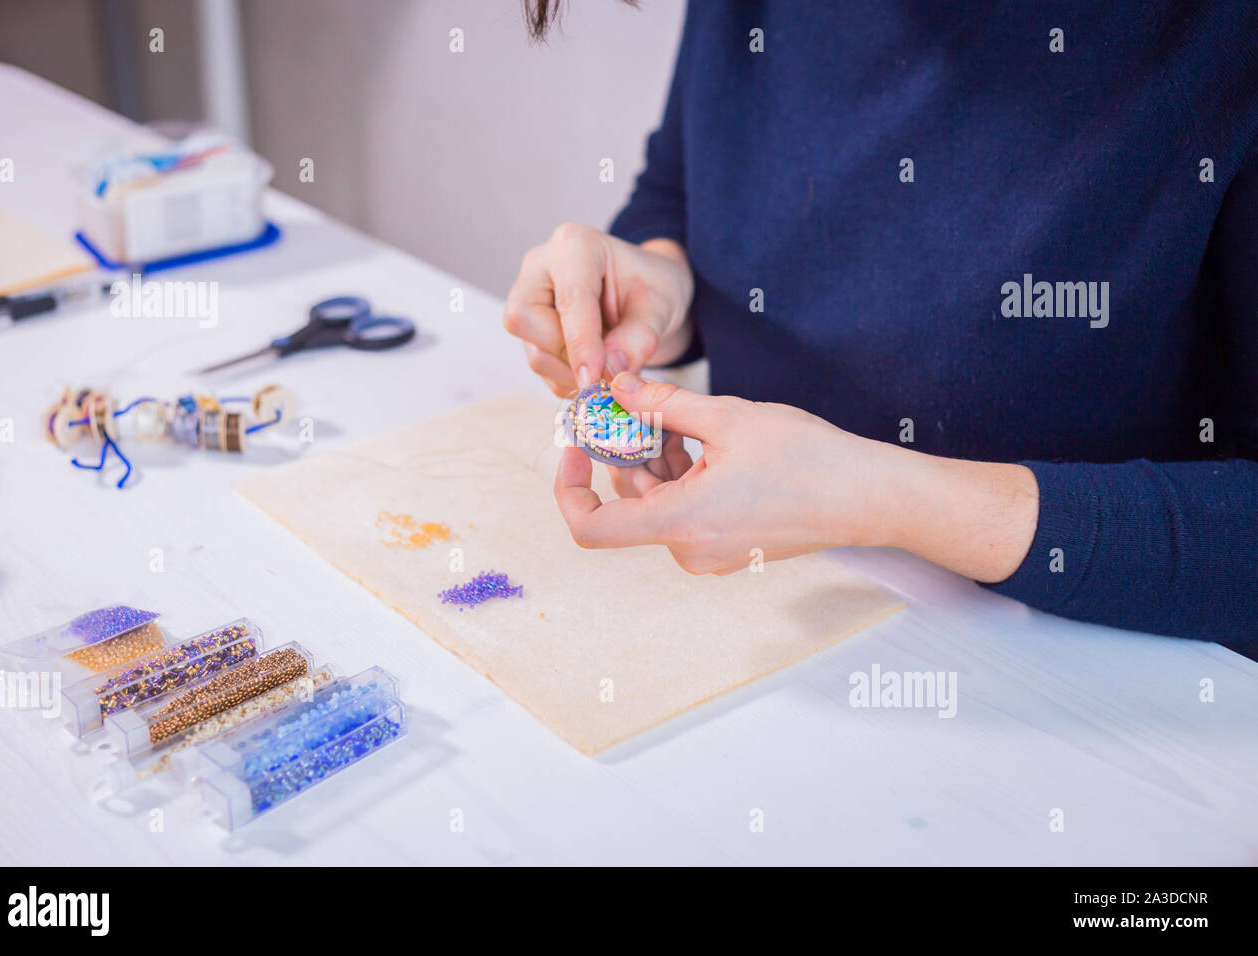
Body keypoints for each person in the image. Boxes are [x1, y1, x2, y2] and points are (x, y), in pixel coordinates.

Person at [502, 1, 1258, 656]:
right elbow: (680, 181)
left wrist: (890, 501)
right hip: (771, 635)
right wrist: (659, 279)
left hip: (1086, 691)